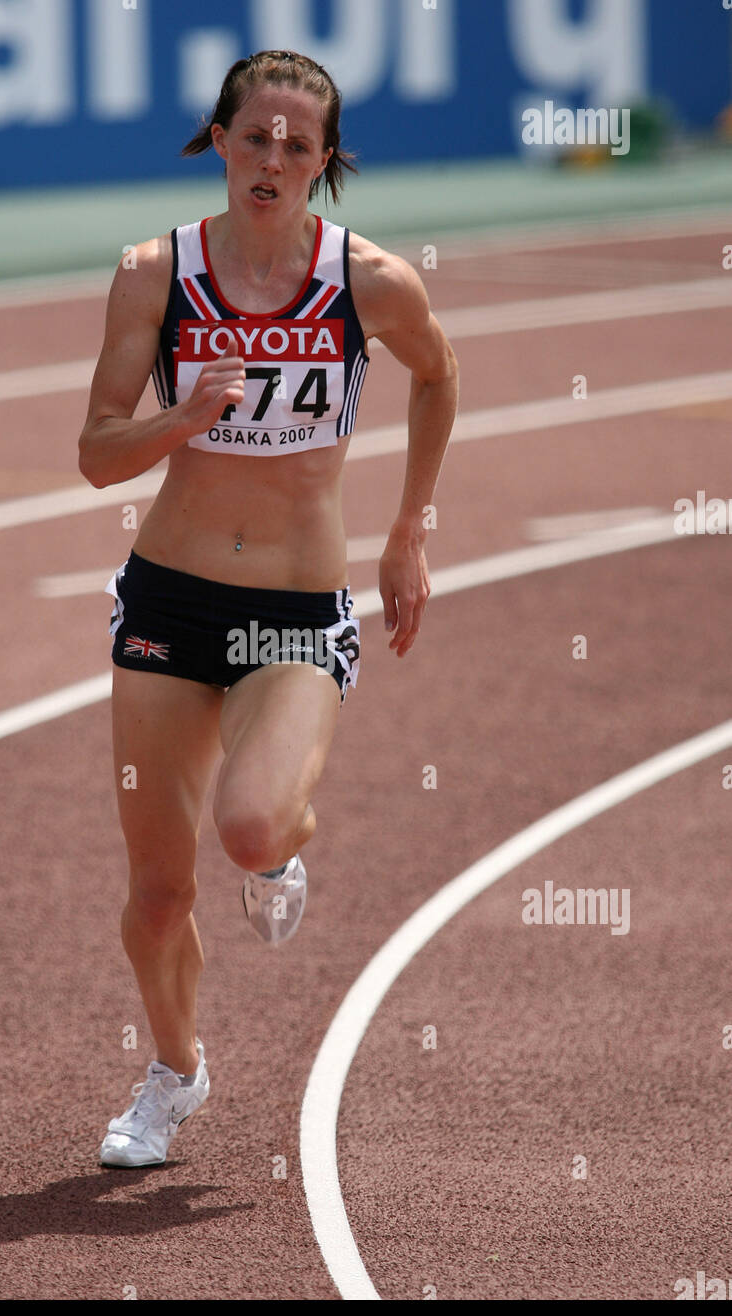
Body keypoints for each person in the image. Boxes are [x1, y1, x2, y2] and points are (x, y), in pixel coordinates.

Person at [77, 50, 458, 1168]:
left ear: (324, 162)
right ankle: (174, 1072)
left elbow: (438, 375)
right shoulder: (155, 273)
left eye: (298, 144)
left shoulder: (370, 282)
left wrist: (405, 535)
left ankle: (281, 855)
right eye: (256, 136)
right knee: (155, 893)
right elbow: (97, 455)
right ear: (220, 140)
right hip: (167, 599)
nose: (273, 158)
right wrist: (182, 415)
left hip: (295, 608)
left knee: (249, 826)